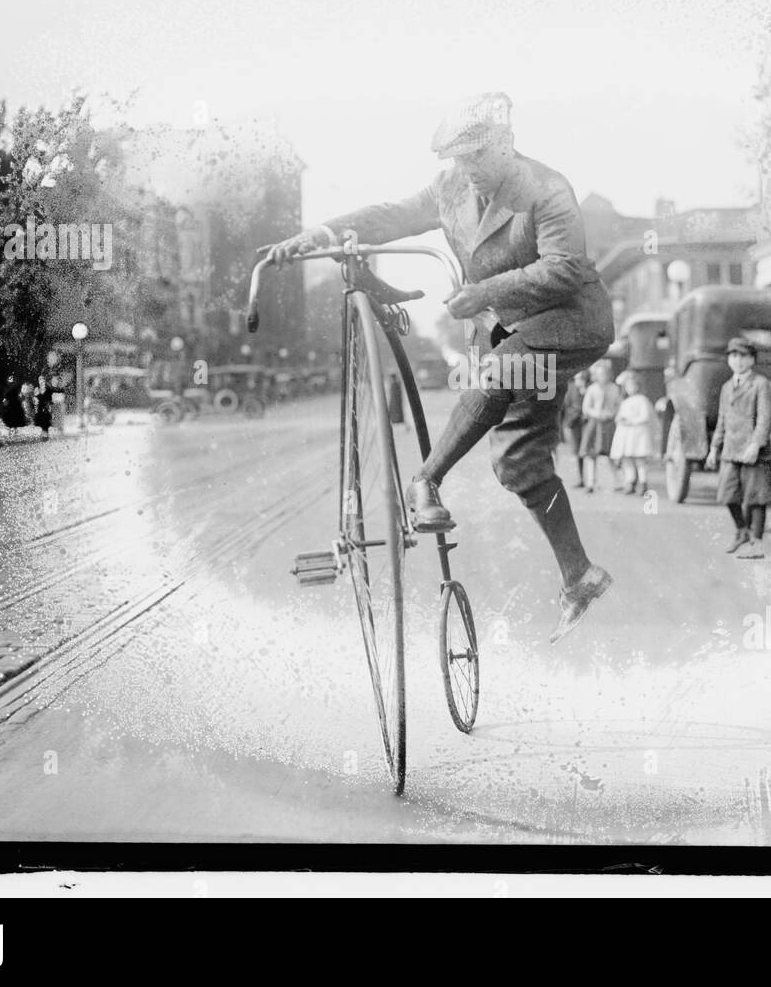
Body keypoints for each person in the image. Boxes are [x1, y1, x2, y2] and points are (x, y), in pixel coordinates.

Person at [262, 92, 615, 643]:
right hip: (512, 333)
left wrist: (485, 293)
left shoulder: (546, 189)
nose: (465, 170)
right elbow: (393, 215)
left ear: (505, 143)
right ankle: (580, 576)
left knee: (500, 373)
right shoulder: (452, 187)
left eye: (475, 156)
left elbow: (566, 269)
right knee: (519, 462)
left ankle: (424, 480)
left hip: (569, 322)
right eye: (456, 159)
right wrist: (323, 234)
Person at [704, 337, 771, 559]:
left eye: (744, 356)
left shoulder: (760, 383)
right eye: (734, 356)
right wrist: (714, 448)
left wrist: (756, 444)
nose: (738, 361)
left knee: (756, 498)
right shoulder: (727, 387)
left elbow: (766, 418)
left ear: (752, 359)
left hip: (754, 451)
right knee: (728, 495)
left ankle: (756, 543)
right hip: (731, 450)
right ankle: (741, 531)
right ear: (728, 359)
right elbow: (722, 420)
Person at [578, 359, 620, 492]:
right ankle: (590, 482)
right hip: (594, 424)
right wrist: (596, 413)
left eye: (604, 374)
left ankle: (616, 481)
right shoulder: (592, 389)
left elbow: (619, 405)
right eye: (599, 374)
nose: (602, 377)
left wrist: (611, 414)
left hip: (609, 424)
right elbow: (586, 407)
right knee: (591, 454)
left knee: (610, 453)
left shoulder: (614, 388)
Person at [610, 371, 654, 496]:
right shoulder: (625, 402)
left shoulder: (642, 400)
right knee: (627, 460)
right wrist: (620, 419)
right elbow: (619, 416)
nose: (631, 389)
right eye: (628, 386)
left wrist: (631, 421)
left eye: (633, 386)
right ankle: (630, 481)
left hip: (638, 434)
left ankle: (643, 482)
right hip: (627, 435)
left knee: (640, 459)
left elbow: (645, 417)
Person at [561, 370, 588, 488]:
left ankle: (590, 480)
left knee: (590, 452)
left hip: (587, 424)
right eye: (577, 378)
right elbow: (566, 405)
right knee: (578, 452)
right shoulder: (570, 388)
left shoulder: (589, 388)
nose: (579, 381)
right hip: (575, 424)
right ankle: (581, 479)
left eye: (581, 379)